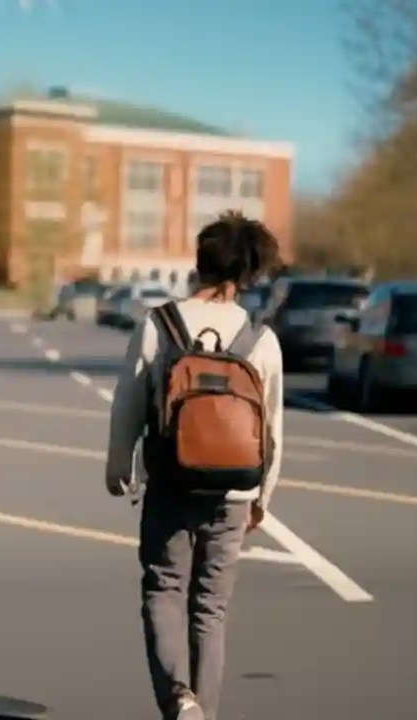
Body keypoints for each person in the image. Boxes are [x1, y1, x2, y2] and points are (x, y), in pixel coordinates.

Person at [104, 210, 284, 720]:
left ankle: (179, 700)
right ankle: (206, 711)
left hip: (171, 482)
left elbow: (129, 404)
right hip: (234, 493)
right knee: (210, 609)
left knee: (164, 588)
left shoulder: (159, 325)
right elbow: (271, 427)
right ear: (245, 274)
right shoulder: (260, 339)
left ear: (199, 264)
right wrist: (261, 498)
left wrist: (120, 468)